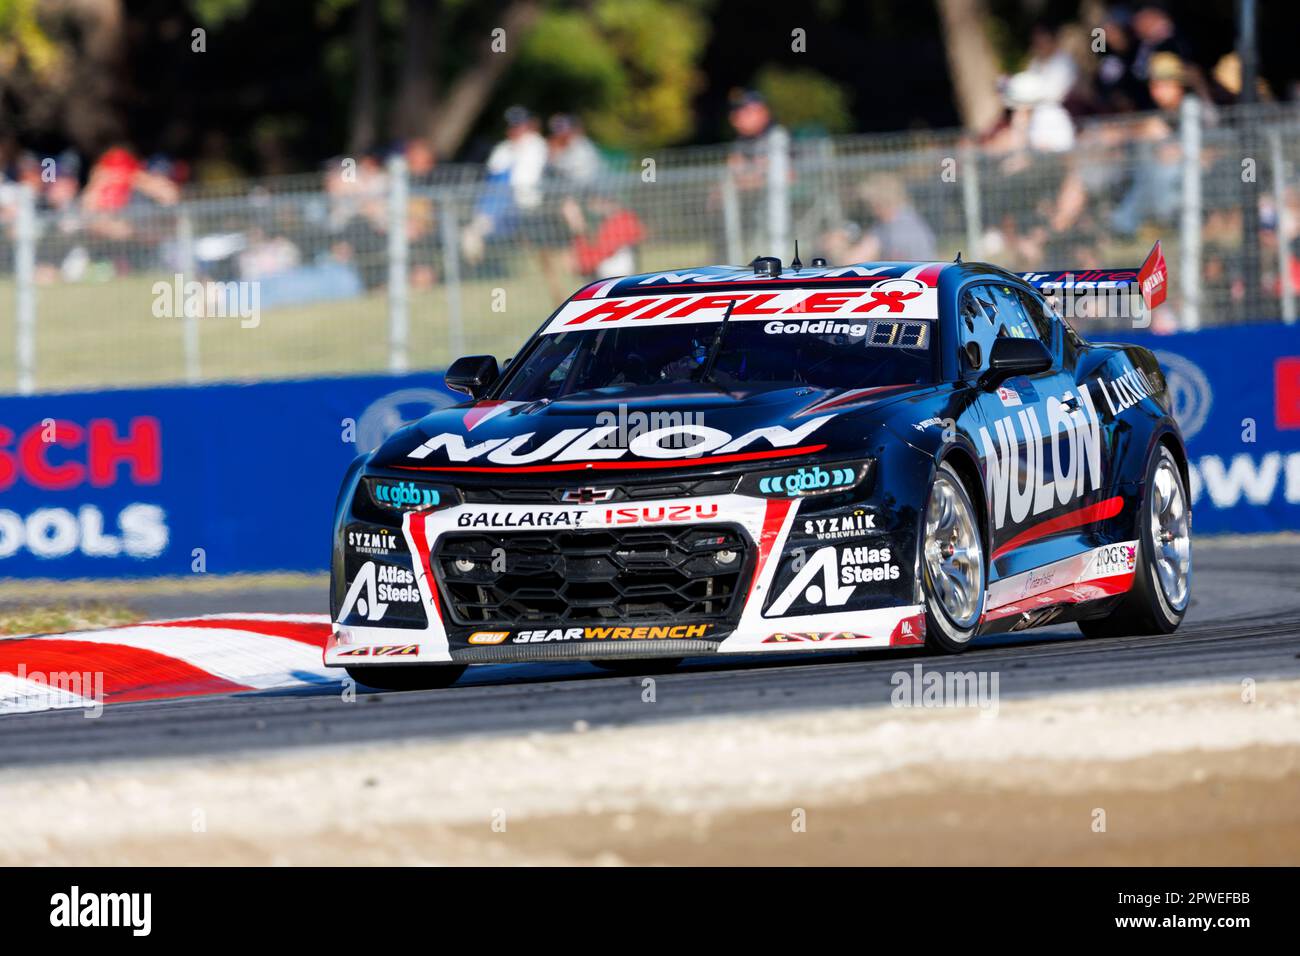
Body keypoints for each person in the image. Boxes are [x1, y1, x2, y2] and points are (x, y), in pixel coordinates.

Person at [462, 105, 548, 264]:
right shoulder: (504, 148)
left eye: (519, 125)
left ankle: (479, 262)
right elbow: (495, 171)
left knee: (474, 231)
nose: (515, 129)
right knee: (472, 231)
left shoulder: (536, 145)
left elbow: (524, 177)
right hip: (499, 205)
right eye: (513, 125)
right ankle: (477, 264)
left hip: (523, 203)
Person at [823, 174, 936, 263]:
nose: (869, 210)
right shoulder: (911, 218)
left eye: (870, 204)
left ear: (878, 204)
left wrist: (837, 246)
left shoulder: (890, 228)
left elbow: (851, 262)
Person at [561, 190, 645, 280]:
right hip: (604, 271)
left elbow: (603, 251)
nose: (594, 207)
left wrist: (581, 263)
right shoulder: (594, 227)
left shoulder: (622, 219)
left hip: (615, 273)